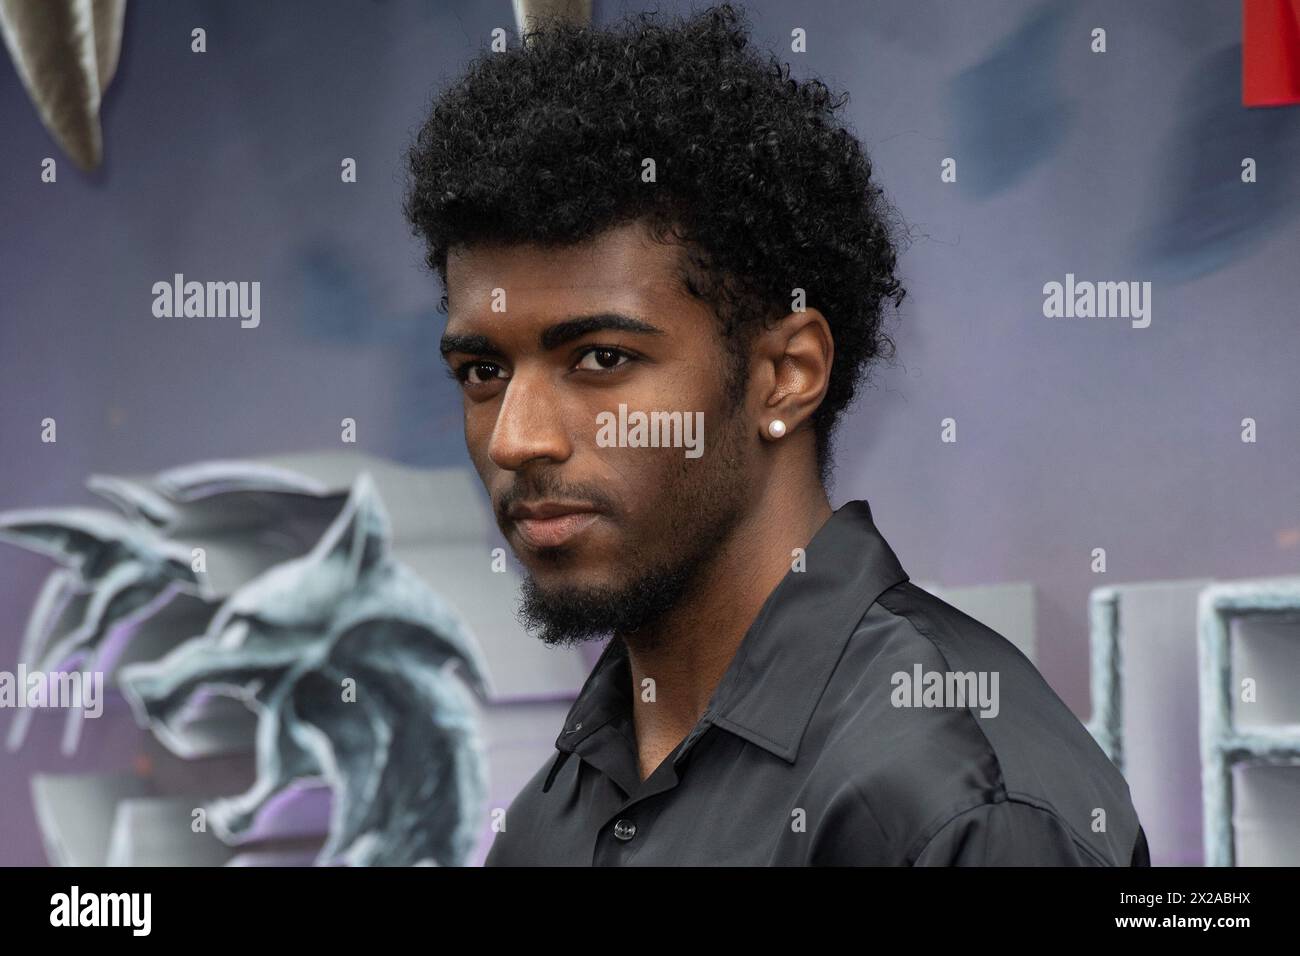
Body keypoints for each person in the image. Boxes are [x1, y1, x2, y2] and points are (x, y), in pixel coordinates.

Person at [402, 3, 1149, 866]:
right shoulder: (552, 814)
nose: (516, 440)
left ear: (786, 375)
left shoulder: (957, 803)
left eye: (600, 357)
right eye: (483, 373)